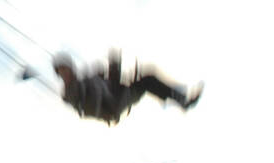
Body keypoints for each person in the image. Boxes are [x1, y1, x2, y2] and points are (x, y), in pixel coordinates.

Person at [52, 50, 202, 125]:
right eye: (61, 71)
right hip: (113, 104)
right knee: (147, 80)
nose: (64, 74)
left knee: (147, 79)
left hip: (116, 99)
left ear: (71, 68)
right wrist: (100, 75)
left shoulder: (85, 80)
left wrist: (110, 70)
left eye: (65, 69)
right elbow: (90, 96)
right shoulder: (72, 90)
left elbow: (107, 86)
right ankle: (180, 99)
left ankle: (180, 99)